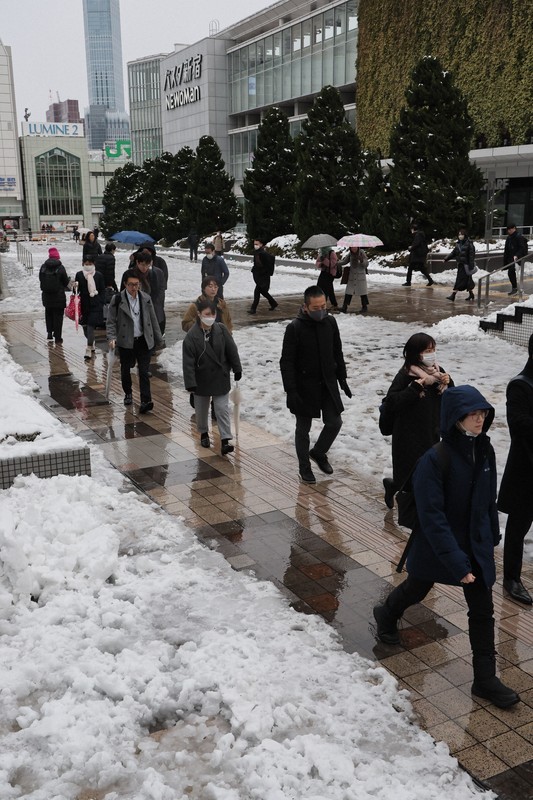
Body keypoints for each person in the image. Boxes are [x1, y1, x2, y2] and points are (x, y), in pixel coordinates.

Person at [373, 385, 520, 710]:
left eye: (482, 413)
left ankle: (485, 679)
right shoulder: (434, 460)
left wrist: (491, 535)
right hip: (440, 545)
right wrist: (457, 563)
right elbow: (433, 517)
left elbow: (486, 500)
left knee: (482, 611)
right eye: (472, 414)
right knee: (417, 588)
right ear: (455, 418)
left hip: (474, 545)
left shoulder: (485, 450)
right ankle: (387, 613)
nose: (479, 419)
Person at [280, 285, 351, 484]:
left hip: (327, 383)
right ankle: (304, 467)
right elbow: (286, 362)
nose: (321, 310)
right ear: (305, 307)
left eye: (323, 306)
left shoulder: (330, 322)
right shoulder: (295, 328)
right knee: (303, 429)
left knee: (335, 422)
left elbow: (337, 351)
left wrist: (342, 377)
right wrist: (291, 390)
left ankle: (319, 452)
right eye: (316, 307)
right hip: (304, 387)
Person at [381, 333, 452, 509]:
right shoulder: (406, 375)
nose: (432, 353)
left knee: (427, 476)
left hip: (431, 431)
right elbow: (391, 402)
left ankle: (414, 508)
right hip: (407, 435)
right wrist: (414, 388)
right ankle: (398, 492)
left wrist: (448, 383)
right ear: (416, 353)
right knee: (410, 477)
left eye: (434, 349)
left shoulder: (437, 371)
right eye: (428, 350)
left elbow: (449, 398)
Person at [497, 333, 533, 605]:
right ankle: (511, 578)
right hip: (526, 471)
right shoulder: (520, 386)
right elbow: (520, 427)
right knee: (518, 526)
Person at [182, 299, 242, 455]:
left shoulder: (221, 330)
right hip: (201, 381)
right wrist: (190, 383)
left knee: (222, 409)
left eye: (213, 313)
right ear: (199, 314)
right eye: (207, 314)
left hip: (220, 378)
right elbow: (187, 363)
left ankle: (225, 440)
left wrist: (237, 368)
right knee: (201, 410)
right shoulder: (191, 337)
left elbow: (232, 350)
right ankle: (203, 432)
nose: (211, 317)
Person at [106, 274, 163, 413]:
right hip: (126, 341)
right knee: (125, 369)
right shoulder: (118, 299)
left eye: (137, 284)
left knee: (143, 371)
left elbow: (152, 319)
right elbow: (111, 321)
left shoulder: (145, 298)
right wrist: (112, 337)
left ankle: (146, 400)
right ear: (125, 284)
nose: (134, 287)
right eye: (131, 284)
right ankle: (128, 393)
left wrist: (158, 338)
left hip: (143, 340)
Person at [121, 252, 165, 337]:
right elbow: (122, 291)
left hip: (147, 307)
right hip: (131, 306)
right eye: (143, 265)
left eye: (147, 265)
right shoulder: (129, 274)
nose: (145, 268)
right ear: (137, 262)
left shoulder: (152, 274)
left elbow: (155, 292)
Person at [75, 256, 105, 360]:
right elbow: (76, 291)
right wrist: (74, 286)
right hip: (84, 304)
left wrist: (101, 302)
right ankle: (91, 343)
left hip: (95, 304)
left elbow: (102, 290)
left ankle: (88, 348)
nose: (88, 266)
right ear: (83, 263)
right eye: (86, 263)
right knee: (85, 327)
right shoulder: (79, 275)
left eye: (90, 263)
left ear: (94, 264)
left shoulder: (98, 275)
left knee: (91, 326)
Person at [39, 246, 70, 344]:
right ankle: (58, 337)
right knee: (58, 317)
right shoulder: (60, 267)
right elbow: (65, 282)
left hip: (47, 296)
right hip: (59, 296)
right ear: (57, 256)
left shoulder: (43, 267)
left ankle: (49, 333)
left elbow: (41, 279)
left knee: (48, 314)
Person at [444, 227, 476, 302]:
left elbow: (472, 255)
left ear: (465, 235)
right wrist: (446, 258)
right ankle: (471, 294)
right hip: (461, 265)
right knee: (467, 280)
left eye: (461, 234)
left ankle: (453, 295)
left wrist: (471, 265)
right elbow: (453, 253)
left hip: (466, 265)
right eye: (459, 235)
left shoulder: (469, 243)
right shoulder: (458, 244)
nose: (460, 236)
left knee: (459, 280)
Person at [248, 238, 277, 314]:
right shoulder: (257, 253)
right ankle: (273, 303)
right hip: (260, 276)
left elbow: (268, 265)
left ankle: (253, 309)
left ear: (261, 244)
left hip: (263, 277)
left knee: (257, 291)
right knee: (263, 292)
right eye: (254, 244)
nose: (255, 245)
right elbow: (256, 264)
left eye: (257, 244)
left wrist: (263, 272)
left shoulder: (263, 254)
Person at [338, 246, 370, 314]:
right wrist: (336, 263)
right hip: (352, 276)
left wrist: (362, 260)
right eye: (352, 247)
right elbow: (344, 261)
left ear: (358, 247)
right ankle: (344, 307)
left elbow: (366, 264)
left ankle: (365, 307)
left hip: (360, 276)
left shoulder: (361, 252)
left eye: (355, 247)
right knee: (348, 292)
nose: (354, 248)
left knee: (363, 293)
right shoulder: (350, 254)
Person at [503, 223, 528, 296]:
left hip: (517, 258)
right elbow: (506, 249)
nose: (509, 231)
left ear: (514, 228)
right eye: (508, 230)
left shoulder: (519, 237)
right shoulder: (509, 238)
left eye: (510, 229)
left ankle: (517, 288)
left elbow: (522, 248)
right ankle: (515, 288)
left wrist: (517, 255)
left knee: (512, 271)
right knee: (510, 272)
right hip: (511, 258)